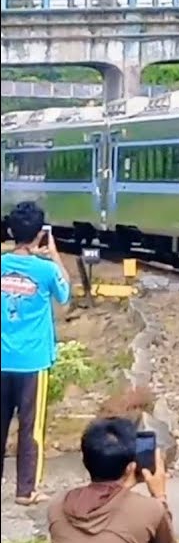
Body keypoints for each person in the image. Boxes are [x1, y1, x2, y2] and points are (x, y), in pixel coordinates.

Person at [1, 200, 72, 505]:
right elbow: (66, 296)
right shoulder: (44, 271)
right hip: (33, 363)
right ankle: (25, 490)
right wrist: (53, 253)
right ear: (39, 234)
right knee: (31, 428)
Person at [46, 417, 178, 543]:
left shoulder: (57, 505)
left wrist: (122, 487)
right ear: (130, 468)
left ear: (84, 460)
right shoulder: (150, 510)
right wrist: (159, 496)